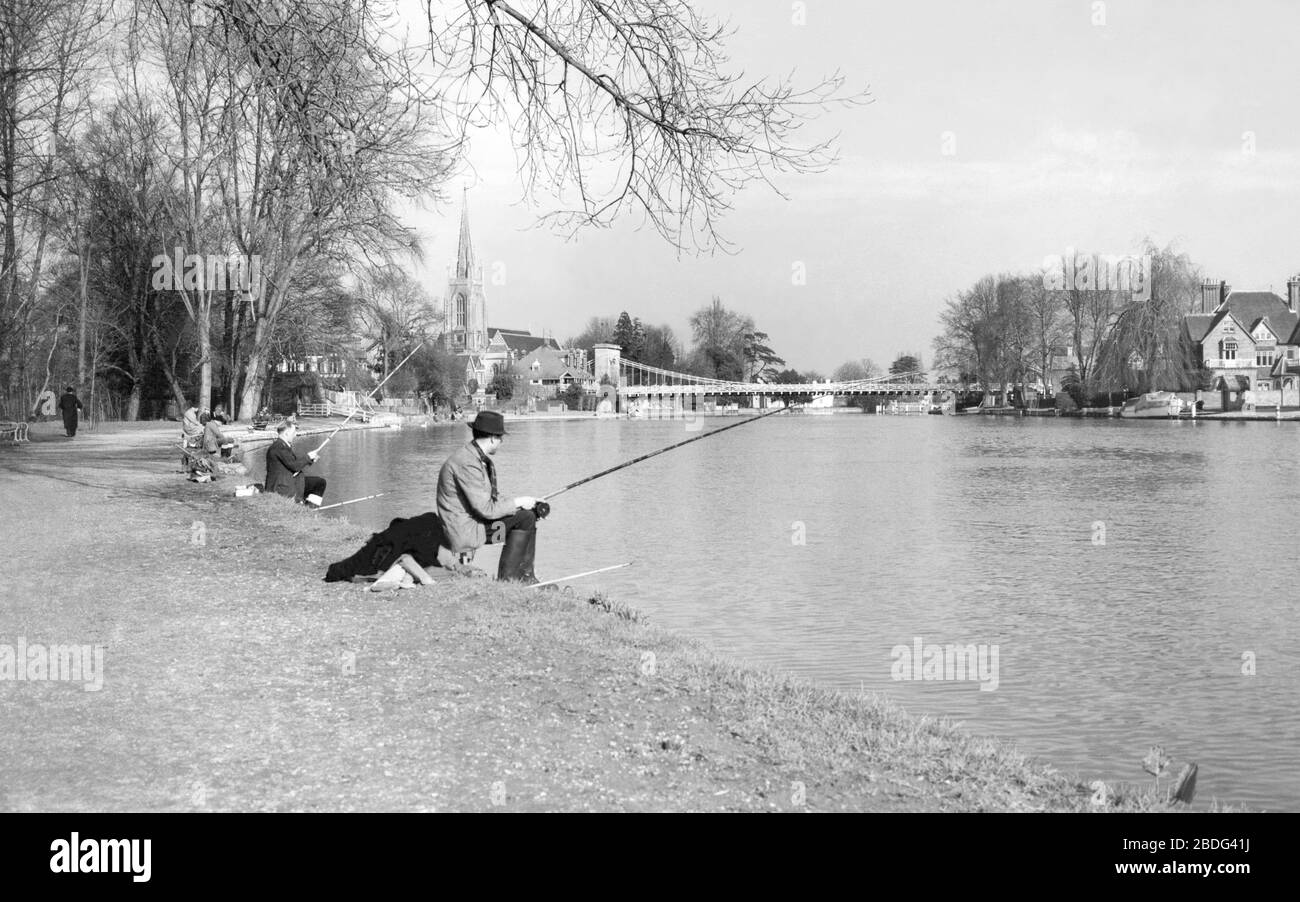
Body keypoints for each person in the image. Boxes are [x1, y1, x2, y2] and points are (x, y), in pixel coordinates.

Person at [435, 410, 547, 584]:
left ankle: (525, 576)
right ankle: (511, 579)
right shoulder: (468, 463)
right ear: (493, 438)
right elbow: (486, 510)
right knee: (525, 518)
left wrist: (526, 502)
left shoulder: (474, 457)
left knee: (528, 514)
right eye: (501, 438)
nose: (501, 442)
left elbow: (490, 498)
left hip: (474, 524)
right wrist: (518, 503)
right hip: (467, 532)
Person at [264, 420, 326, 506]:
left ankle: (306, 506)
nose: (295, 434)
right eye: (293, 432)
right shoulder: (279, 447)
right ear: (286, 433)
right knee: (320, 483)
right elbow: (295, 466)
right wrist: (308, 457)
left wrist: (310, 459)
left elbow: (293, 463)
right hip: (280, 487)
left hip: (286, 481)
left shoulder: (281, 445)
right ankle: (309, 509)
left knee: (319, 482)